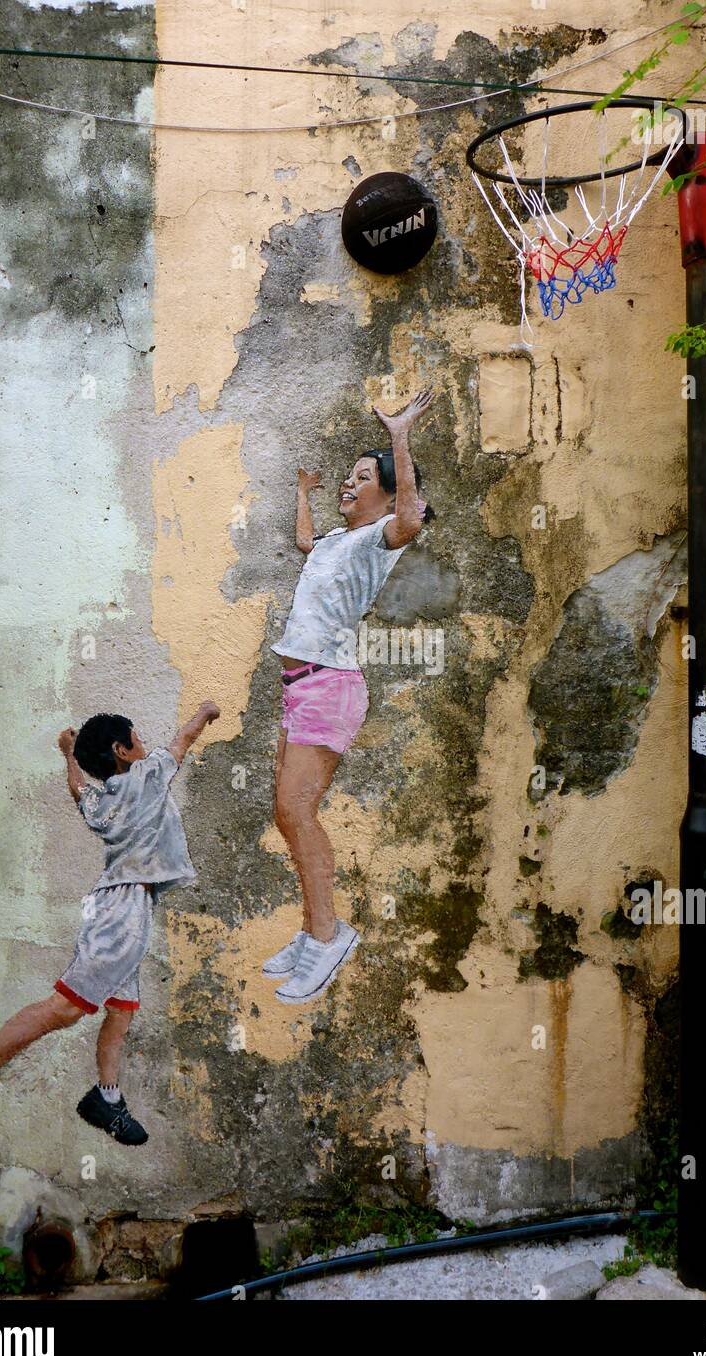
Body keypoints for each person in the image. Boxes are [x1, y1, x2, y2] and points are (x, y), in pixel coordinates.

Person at [0, 701, 220, 1176]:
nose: (145, 745)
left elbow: (78, 789)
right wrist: (204, 712)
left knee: (121, 1010)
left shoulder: (102, 801)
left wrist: (67, 754)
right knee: (67, 1007)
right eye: (136, 739)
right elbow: (183, 741)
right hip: (122, 911)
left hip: (128, 907)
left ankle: (106, 1096)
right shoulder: (147, 776)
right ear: (123, 751)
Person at [264, 388, 435, 1005]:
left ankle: (328, 935)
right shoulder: (337, 541)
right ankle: (315, 934)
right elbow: (306, 544)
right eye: (349, 474)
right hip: (299, 688)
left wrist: (399, 437)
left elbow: (412, 518)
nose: (349, 481)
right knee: (288, 814)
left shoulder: (378, 539)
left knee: (296, 812)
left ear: (385, 493)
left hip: (328, 687)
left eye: (363, 478)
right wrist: (304, 494)